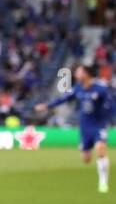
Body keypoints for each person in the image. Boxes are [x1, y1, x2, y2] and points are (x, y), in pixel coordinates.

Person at [36, 64, 114, 193]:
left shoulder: (100, 89)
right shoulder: (77, 88)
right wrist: (47, 106)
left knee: (100, 149)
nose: (76, 74)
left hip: (99, 126)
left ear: (86, 74)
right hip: (84, 127)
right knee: (86, 159)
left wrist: (108, 117)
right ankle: (92, 160)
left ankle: (103, 182)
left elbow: (111, 105)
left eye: (79, 72)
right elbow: (64, 98)